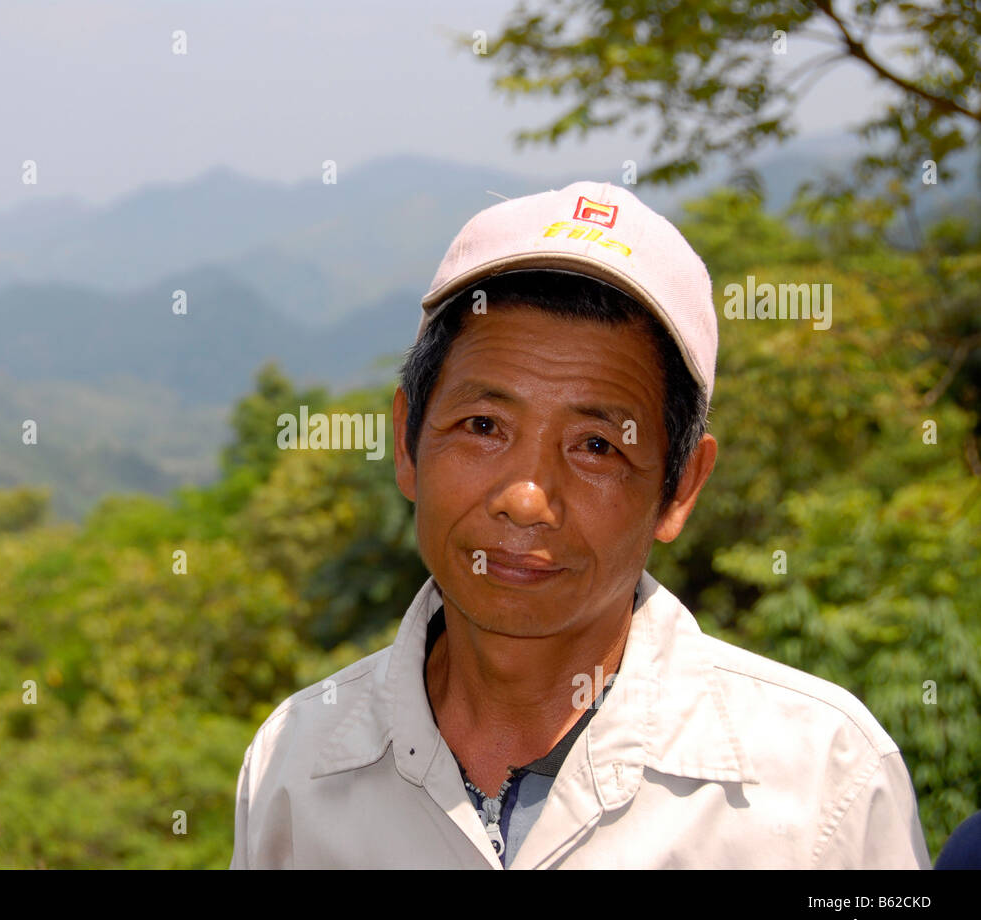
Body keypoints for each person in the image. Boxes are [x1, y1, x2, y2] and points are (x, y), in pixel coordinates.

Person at [229, 181, 932, 869]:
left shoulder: (821, 785)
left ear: (680, 488)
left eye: (598, 445)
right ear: (408, 441)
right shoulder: (297, 768)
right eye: (483, 426)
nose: (527, 499)